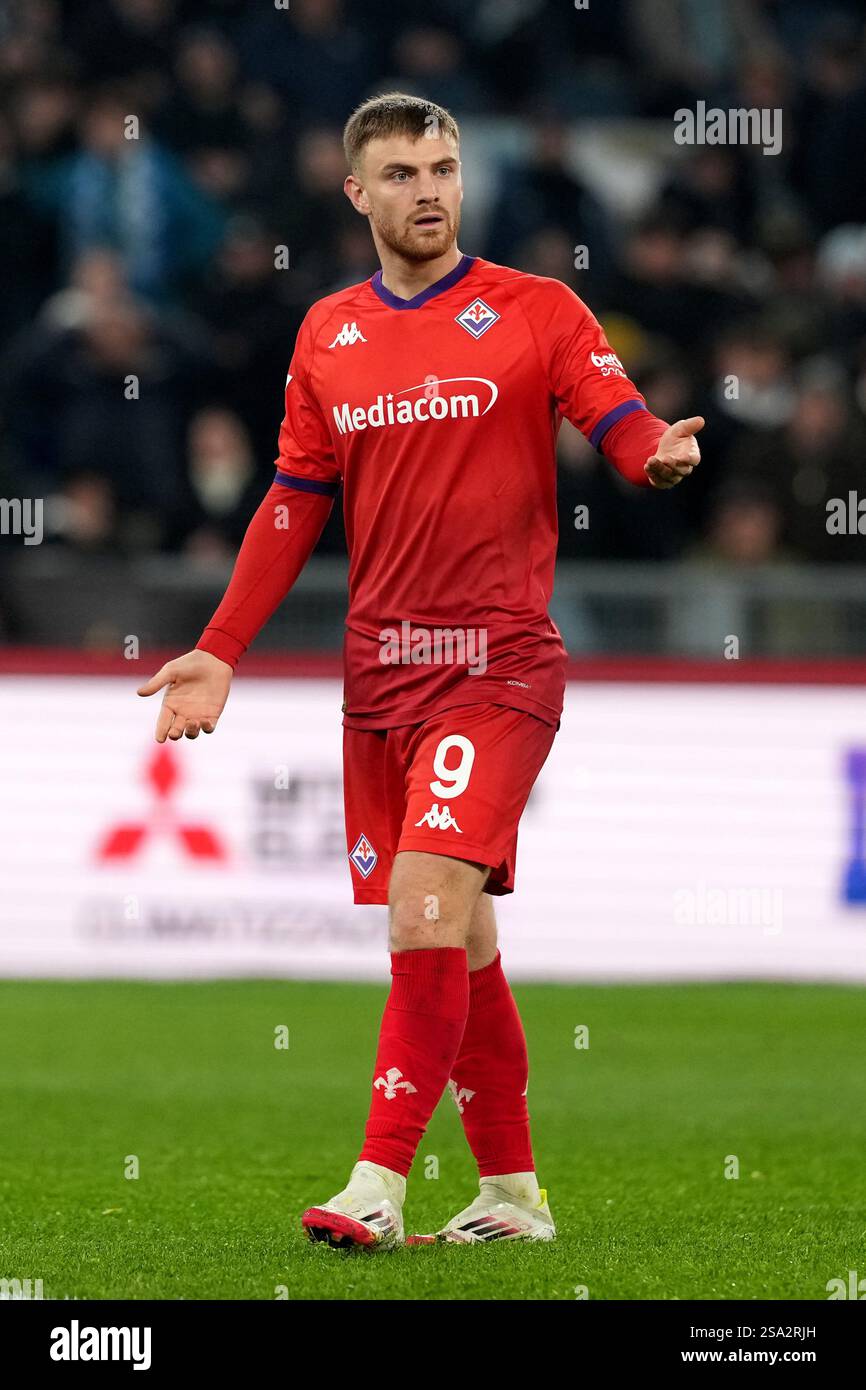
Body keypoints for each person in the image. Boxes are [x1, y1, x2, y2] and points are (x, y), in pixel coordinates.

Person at [138, 92, 703, 1249]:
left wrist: (653, 453)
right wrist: (221, 647)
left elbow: (613, 408)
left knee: (421, 911)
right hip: (378, 679)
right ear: (357, 194)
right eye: (400, 173)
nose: (430, 189)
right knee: (465, 939)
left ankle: (377, 1185)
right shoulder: (327, 335)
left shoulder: (532, 307)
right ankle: (510, 1194)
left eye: (443, 166)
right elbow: (295, 499)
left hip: (497, 665)